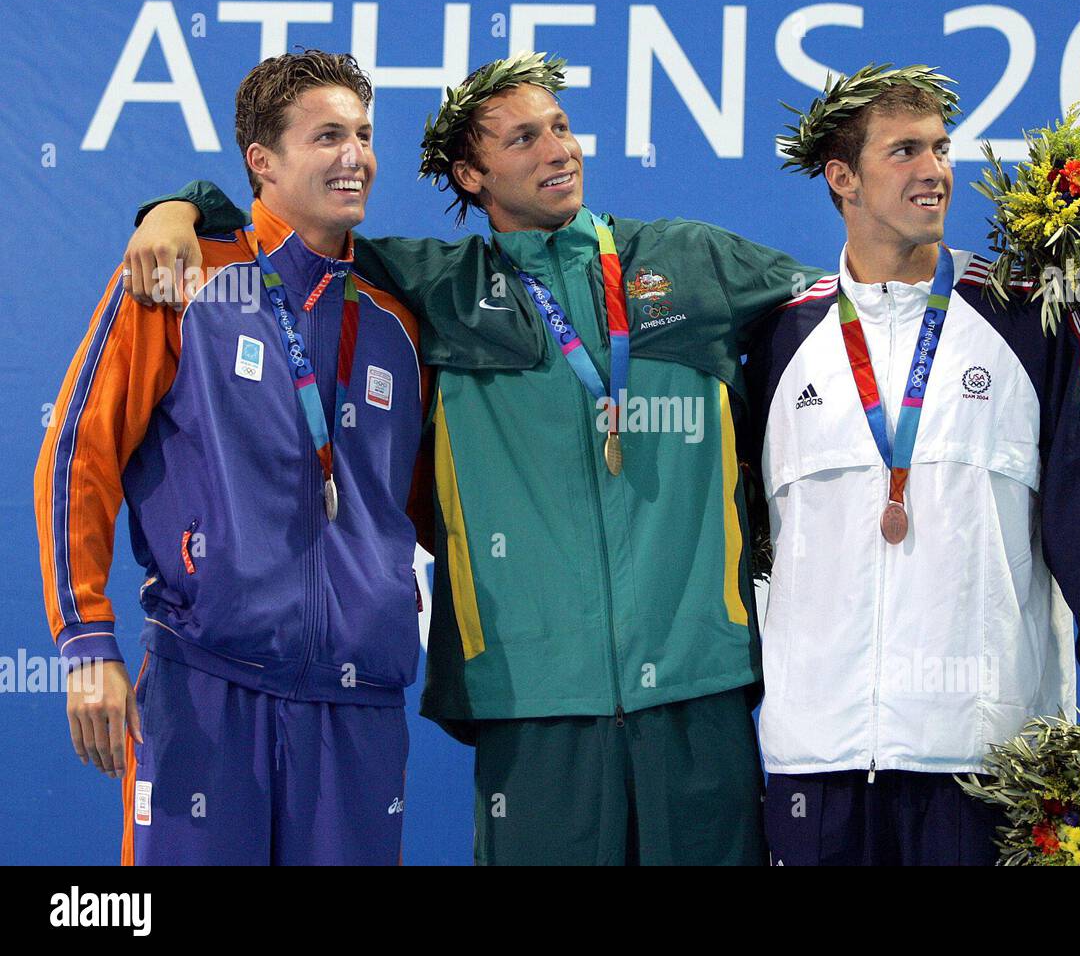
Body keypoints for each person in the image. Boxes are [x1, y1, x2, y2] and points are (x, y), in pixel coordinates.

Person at [122, 51, 826, 866]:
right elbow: (294, 238)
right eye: (524, 138)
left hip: (699, 680)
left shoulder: (690, 259)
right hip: (531, 694)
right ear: (471, 173)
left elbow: (848, 317)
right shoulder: (436, 285)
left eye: (561, 127)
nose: (557, 149)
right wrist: (179, 209)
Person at [743, 64, 1080, 865]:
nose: (935, 170)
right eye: (904, 150)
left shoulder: (1030, 327)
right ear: (841, 177)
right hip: (816, 763)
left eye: (942, 149)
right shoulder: (778, 341)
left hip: (984, 760)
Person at [35, 50, 433, 865]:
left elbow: (430, 509)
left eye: (363, 134)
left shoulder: (398, 318)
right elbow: (80, 453)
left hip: (358, 704)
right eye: (327, 137)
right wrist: (85, 639)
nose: (355, 156)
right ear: (263, 161)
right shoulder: (178, 277)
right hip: (207, 685)